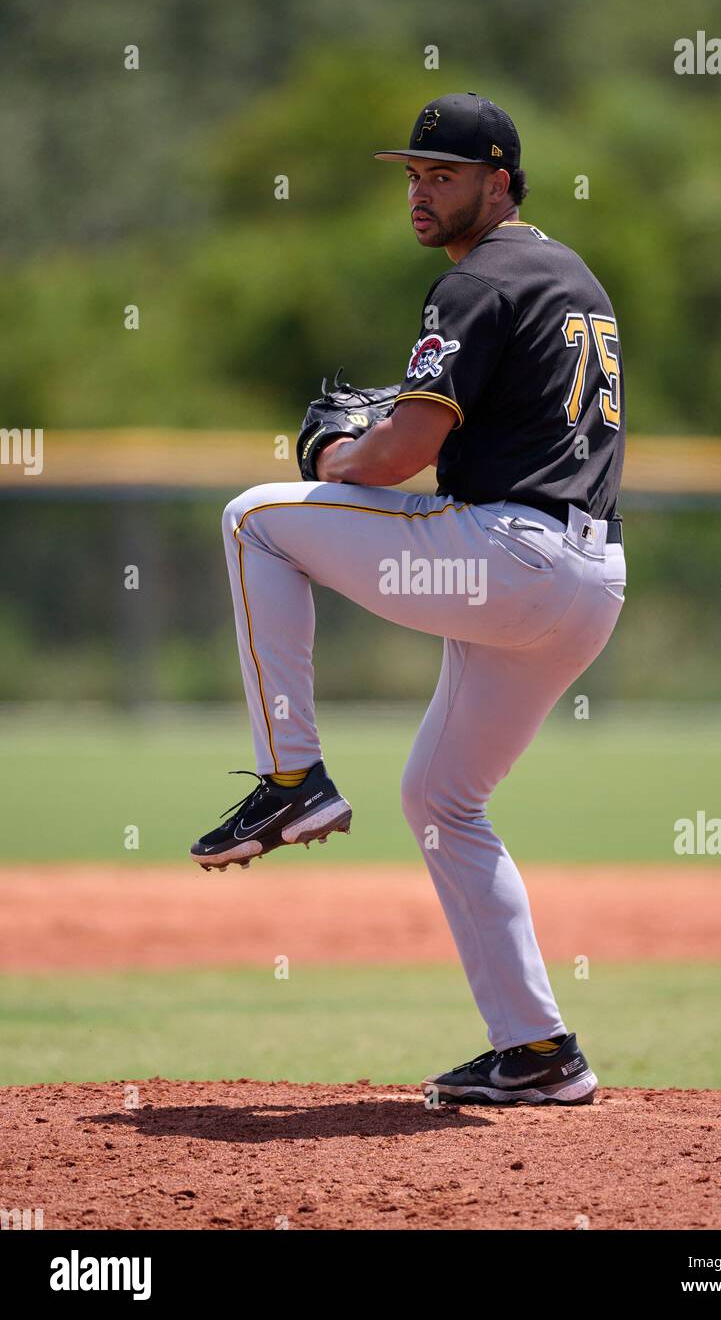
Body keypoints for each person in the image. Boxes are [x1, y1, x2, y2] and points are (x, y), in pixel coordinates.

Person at [190, 92, 627, 1106]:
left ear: (500, 179)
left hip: (507, 557)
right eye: (413, 173)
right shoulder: (572, 276)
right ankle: (537, 1051)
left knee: (256, 516)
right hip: (583, 582)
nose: (420, 190)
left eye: (444, 172)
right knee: (440, 800)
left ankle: (290, 775)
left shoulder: (475, 280)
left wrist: (341, 453)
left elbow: (397, 458)